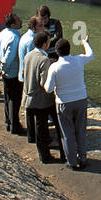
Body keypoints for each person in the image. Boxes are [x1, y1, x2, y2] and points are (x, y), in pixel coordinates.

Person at [44, 37, 94, 171]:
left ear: (56, 51)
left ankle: (72, 161)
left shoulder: (54, 67)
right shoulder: (78, 60)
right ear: (69, 49)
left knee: (67, 133)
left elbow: (48, 88)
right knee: (81, 130)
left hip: (64, 102)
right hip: (81, 100)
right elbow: (90, 55)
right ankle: (83, 158)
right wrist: (85, 43)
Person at [22, 31, 63, 164]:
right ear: (45, 43)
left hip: (29, 95)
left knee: (39, 126)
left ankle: (44, 154)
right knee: (44, 127)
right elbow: (44, 83)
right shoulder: (44, 59)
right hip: (42, 99)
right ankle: (46, 156)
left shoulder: (29, 55)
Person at [0, 14, 25, 136]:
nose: (21, 21)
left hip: (6, 73)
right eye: (18, 20)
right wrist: (3, 67)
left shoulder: (3, 33)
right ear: (13, 24)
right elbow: (9, 58)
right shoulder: (14, 37)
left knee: (7, 98)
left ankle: (8, 122)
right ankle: (15, 126)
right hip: (13, 73)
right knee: (14, 100)